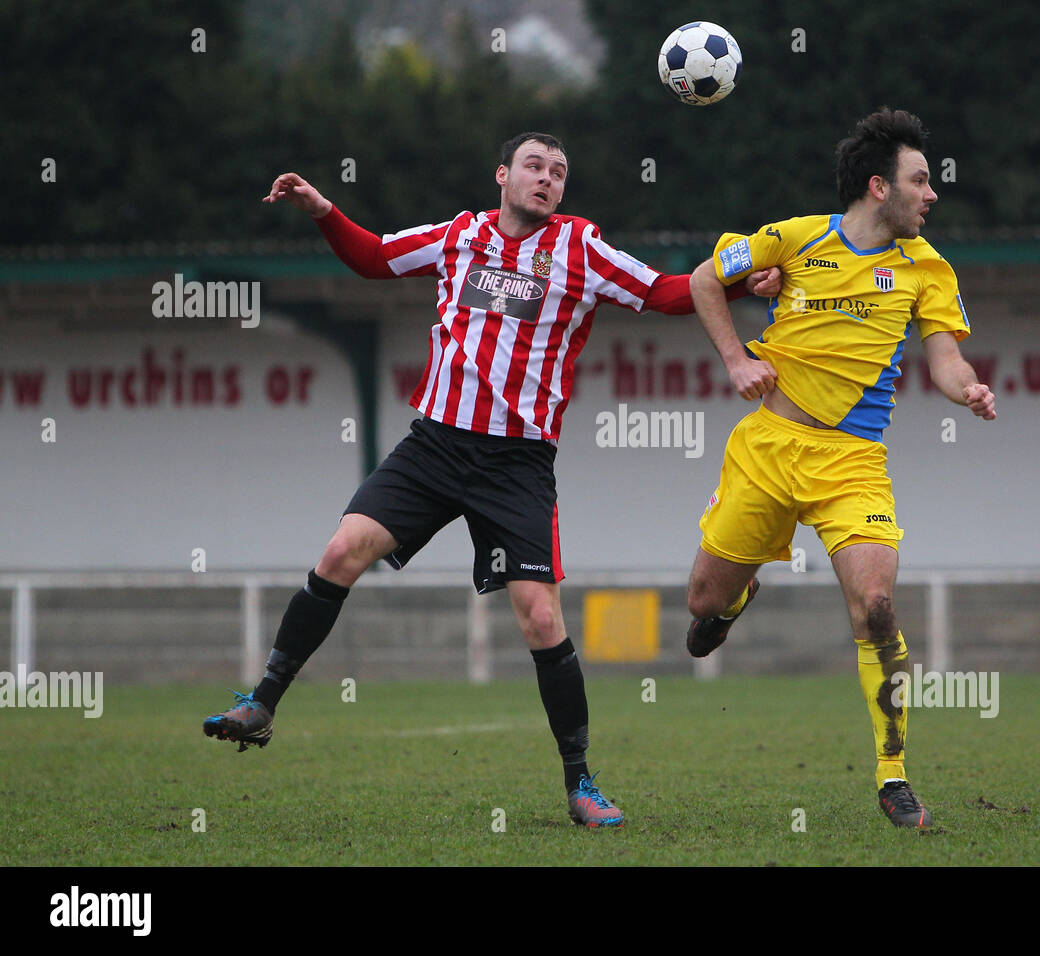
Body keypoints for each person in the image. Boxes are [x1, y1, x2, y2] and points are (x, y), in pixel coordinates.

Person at [203, 132, 781, 829]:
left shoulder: (581, 248)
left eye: (558, 173)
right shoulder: (458, 236)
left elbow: (662, 292)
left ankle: (581, 784)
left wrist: (742, 277)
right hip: (434, 447)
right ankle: (262, 703)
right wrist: (324, 208)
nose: (546, 179)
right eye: (534, 167)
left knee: (540, 618)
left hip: (516, 464)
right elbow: (375, 258)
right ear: (503, 175)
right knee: (340, 552)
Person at [683, 108, 996, 830]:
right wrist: (737, 358)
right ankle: (732, 602)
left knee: (877, 607)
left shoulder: (928, 268)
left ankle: (893, 776)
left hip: (853, 462)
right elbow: (704, 278)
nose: (933, 194)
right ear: (881, 186)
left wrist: (967, 389)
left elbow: (946, 358)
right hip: (766, 450)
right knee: (700, 603)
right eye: (922, 181)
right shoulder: (794, 239)